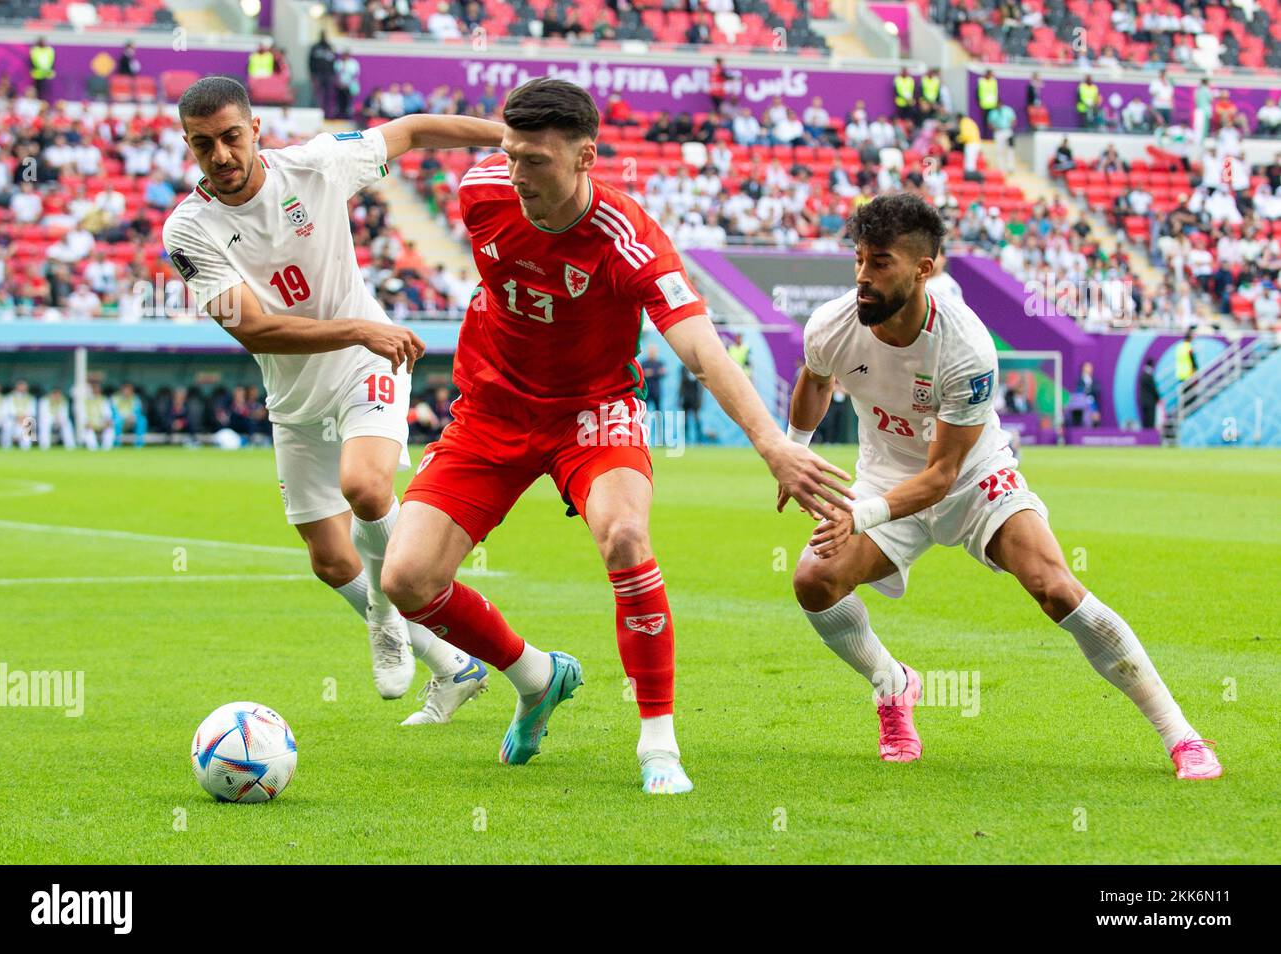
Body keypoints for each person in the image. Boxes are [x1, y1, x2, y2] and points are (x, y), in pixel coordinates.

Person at [379, 78, 851, 795]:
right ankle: (536, 676)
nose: (517, 175)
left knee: (626, 537)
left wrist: (771, 444)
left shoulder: (626, 237)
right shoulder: (483, 190)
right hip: (492, 410)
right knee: (407, 580)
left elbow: (700, 346)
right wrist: (500, 140)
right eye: (510, 155)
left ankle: (657, 741)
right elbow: (425, 133)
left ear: (586, 158)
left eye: (535, 160)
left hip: (591, 414)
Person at [782, 193, 1221, 781]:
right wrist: (794, 450)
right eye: (859, 259)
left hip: (973, 478)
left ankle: (1182, 736)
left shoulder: (966, 348)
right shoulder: (832, 324)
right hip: (885, 480)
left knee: (1055, 587)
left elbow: (941, 476)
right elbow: (815, 381)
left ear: (923, 270)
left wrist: (860, 516)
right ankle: (893, 685)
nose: (863, 277)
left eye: (880, 263)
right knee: (814, 581)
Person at [162, 77, 503, 720]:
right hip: (295, 395)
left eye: (232, 137)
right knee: (327, 557)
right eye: (204, 145)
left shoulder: (318, 165)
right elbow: (255, 329)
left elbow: (413, 127)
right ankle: (452, 666)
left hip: (364, 364)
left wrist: (508, 137)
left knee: (368, 489)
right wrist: (359, 325)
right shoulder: (188, 230)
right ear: (190, 146)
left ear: (256, 129)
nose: (222, 156)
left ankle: (384, 614)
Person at [80, 382, 116, 450]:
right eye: (94, 389)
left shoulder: (103, 400)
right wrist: (87, 422)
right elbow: (83, 415)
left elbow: (108, 414)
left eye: (98, 389)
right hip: (90, 423)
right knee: (88, 430)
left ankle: (106, 449)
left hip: (101, 423)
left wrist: (107, 422)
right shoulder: (86, 401)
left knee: (110, 429)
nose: (96, 391)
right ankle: (93, 449)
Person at [308, 33, 336, 118]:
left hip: (328, 74)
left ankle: (328, 114)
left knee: (328, 95)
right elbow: (310, 61)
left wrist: (332, 74)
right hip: (318, 74)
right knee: (317, 94)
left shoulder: (329, 47)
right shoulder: (315, 47)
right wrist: (312, 73)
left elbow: (333, 62)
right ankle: (315, 113)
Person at [641, 343, 665, 414]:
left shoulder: (660, 363)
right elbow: (642, 374)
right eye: (651, 351)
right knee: (644, 410)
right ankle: (641, 424)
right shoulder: (644, 363)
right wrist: (656, 372)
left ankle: (659, 425)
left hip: (656, 391)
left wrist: (651, 373)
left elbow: (662, 373)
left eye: (653, 351)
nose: (652, 352)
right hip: (646, 392)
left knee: (658, 411)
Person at [1138, 358, 1159, 429]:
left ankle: (1145, 436)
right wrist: (1158, 398)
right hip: (1150, 402)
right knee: (1150, 420)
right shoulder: (1149, 376)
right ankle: (1150, 437)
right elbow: (1153, 389)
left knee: (1145, 420)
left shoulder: (1142, 376)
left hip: (1143, 401)